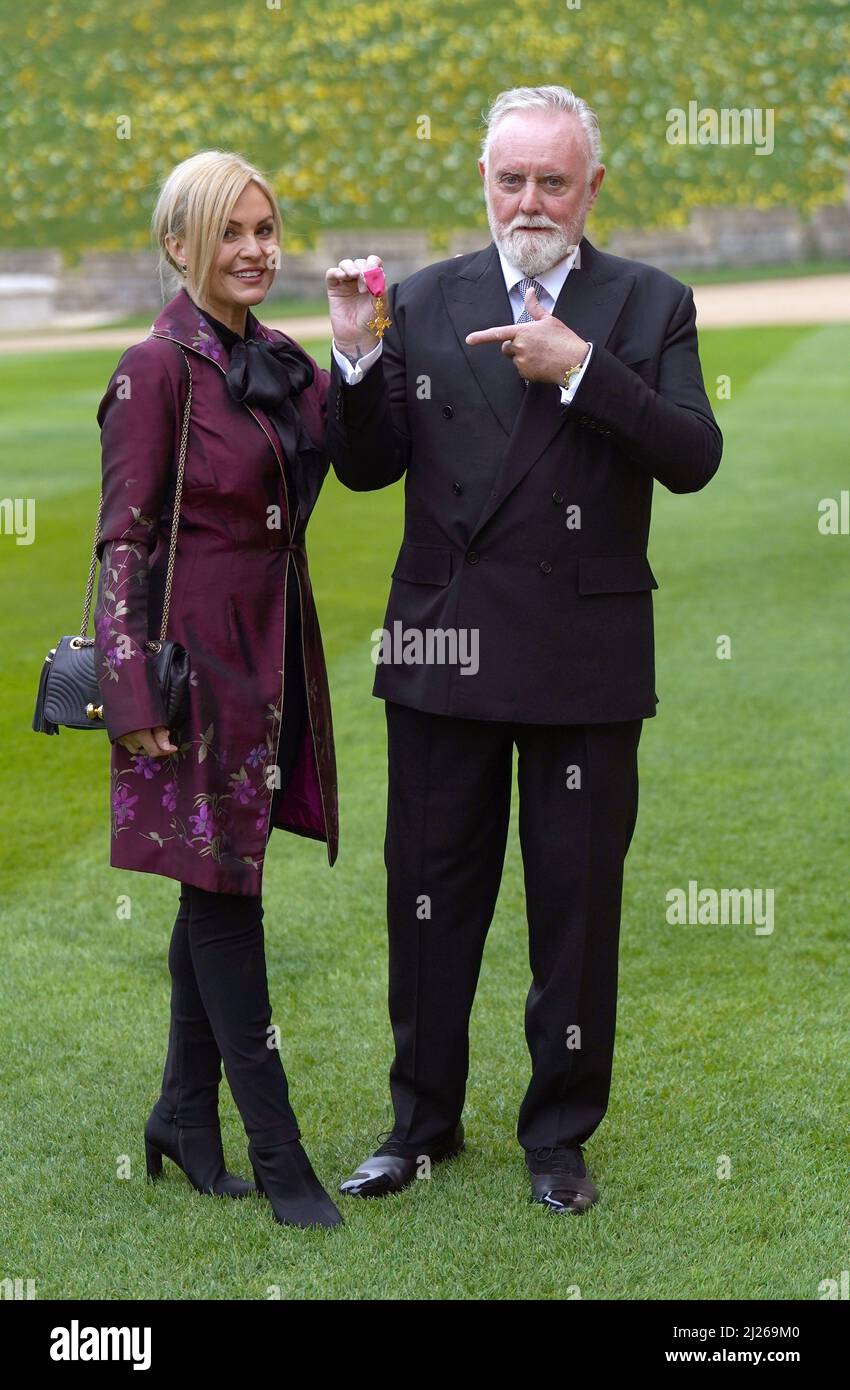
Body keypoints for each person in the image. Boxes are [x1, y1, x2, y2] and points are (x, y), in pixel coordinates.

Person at [325, 85, 722, 1213]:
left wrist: (584, 370)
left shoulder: (651, 303)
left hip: (582, 656)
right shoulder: (422, 297)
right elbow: (366, 468)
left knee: (575, 903)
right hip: (443, 647)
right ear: (484, 183)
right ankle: (419, 1125)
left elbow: (693, 455)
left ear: (592, 187)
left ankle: (557, 1134)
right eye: (512, 180)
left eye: (553, 180)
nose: (530, 201)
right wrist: (355, 362)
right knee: (430, 898)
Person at [94, 150, 341, 1229]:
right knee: (226, 898)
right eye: (230, 232)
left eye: (265, 228)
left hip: (272, 649)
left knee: (218, 883)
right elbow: (121, 543)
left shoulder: (281, 357)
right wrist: (131, 694)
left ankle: (182, 1117)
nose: (254, 249)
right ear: (178, 244)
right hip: (193, 669)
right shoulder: (155, 370)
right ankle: (278, 1159)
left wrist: (368, 351)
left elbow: (357, 450)